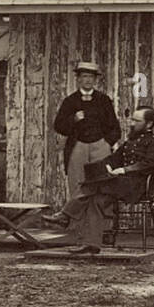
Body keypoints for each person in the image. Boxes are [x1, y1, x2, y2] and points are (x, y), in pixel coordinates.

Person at [43, 107, 154, 254]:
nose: (132, 123)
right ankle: (91, 244)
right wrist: (104, 166)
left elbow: (151, 163)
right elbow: (113, 159)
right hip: (118, 185)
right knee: (97, 200)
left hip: (135, 188)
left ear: (149, 124)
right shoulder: (130, 141)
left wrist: (125, 169)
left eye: (136, 121)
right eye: (132, 119)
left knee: (95, 185)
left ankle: (65, 215)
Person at [53, 61, 121, 211]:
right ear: (78, 79)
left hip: (100, 147)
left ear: (95, 80)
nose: (88, 80)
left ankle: (102, 226)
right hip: (78, 146)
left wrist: (106, 143)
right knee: (77, 185)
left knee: (102, 185)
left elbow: (115, 128)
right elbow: (58, 126)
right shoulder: (70, 101)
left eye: (91, 77)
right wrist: (73, 119)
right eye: (84, 76)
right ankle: (77, 226)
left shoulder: (104, 100)